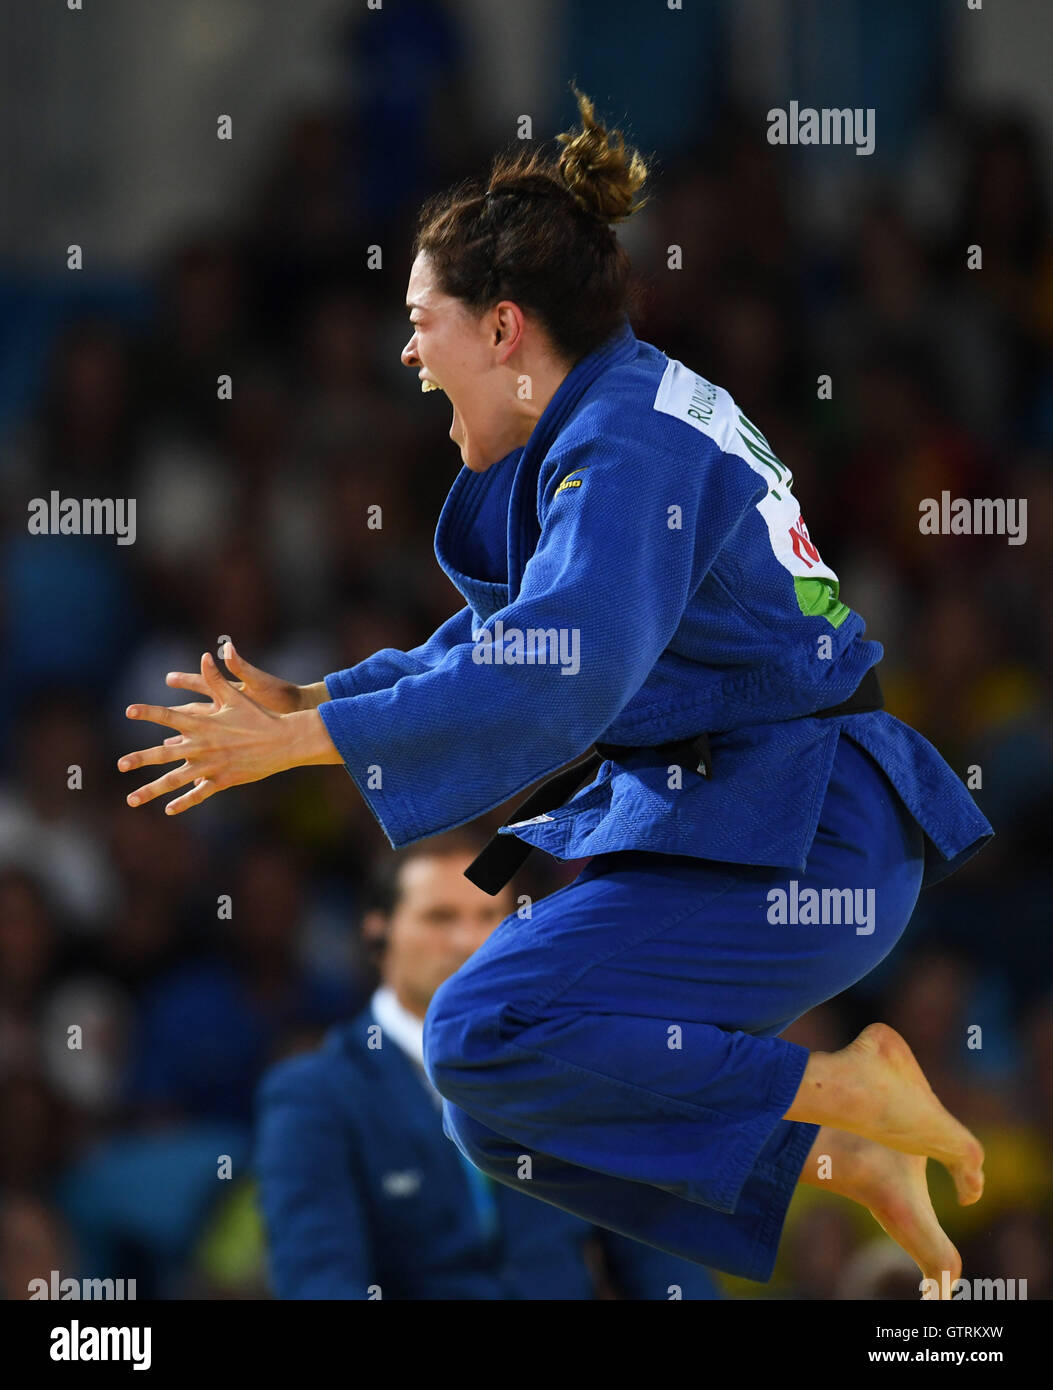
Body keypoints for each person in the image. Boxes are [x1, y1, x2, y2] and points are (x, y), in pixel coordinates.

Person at [119, 86, 993, 1294]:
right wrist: (318, 694)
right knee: (497, 1110)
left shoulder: (628, 444)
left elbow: (563, 675)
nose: (409, 353)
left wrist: (320, 743)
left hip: (805, 837)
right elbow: (511, 643)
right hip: (751, 819)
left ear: (504, 329)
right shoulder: (620, 413)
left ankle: (843, 1084)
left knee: (480, 1034)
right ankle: (830, 1148)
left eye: (424, 321)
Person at [254, 833, 720, 1299]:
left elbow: (662, 1264)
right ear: (378, 933)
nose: (469, 941)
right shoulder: (314, 1094)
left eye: (489, 917)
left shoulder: (571, 1076)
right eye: (441, 918)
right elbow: (319, 1281)